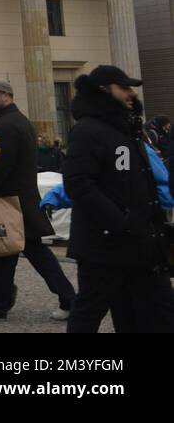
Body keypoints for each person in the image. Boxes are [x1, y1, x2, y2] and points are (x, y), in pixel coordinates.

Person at [64, 66, 174, 332]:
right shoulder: (87, 131)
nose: (131, 93)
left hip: (141, 241)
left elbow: (131, 179)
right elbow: (79, 184)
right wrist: (122, 220)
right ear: (104, 91)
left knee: (157, 308)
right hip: (104, 244)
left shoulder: (124, 129)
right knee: (90, 311)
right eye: (124, 88)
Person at [0, 79, 77, 322]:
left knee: (2, 256)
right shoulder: (17, 121)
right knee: (29, 255)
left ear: (7, 95)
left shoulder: (5, 125)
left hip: (6, 200)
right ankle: (66, 299)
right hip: (20, 199)